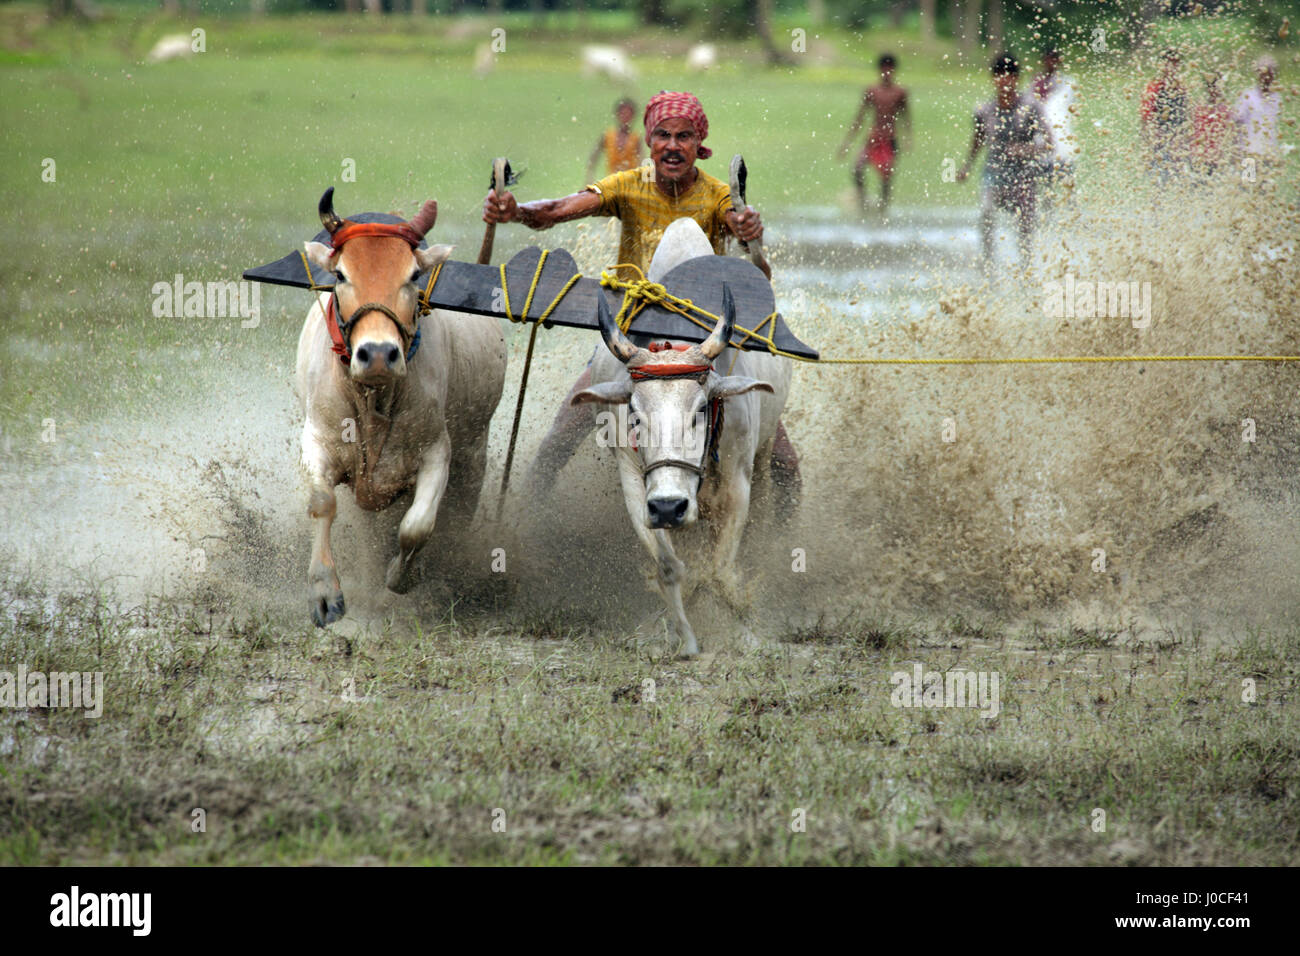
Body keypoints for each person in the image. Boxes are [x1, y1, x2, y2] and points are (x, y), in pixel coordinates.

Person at [482, 91, 798, 497]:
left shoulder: (718, 196)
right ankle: (531, 523)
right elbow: (557, 209)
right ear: (649, 143)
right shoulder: (629, 185)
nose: (672, 145)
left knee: (786, 466)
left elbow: (758, 273)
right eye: (663, 135)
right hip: (633, 338)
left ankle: (771, 548)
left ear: (698, 147)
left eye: (684, 137)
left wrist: (749, 232)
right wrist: (517, 211)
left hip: (704, 344)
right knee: (561, 435)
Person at [956, 52, 1053, 267]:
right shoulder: (984, 110)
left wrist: (1024, 149)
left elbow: (1048, 143)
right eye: (999, 75)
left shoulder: (1031, 107)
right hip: (994, 172)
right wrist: (967, 166)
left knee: (1025, 226)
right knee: (986, 211)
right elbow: (978, 140)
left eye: (1009, 75)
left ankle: (1026, 265)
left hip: (1024, 176)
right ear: (993, 78)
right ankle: (989, 262)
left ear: (1017, 79)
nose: (1004, 80)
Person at [837, 53, 910, 216]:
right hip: (873, 138)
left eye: (890, 68)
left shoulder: (900, 92)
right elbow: (860, 118)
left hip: (890, 139)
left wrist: (907, 138)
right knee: (857, 168)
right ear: (879, 70)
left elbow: (906, 117)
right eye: (884, 68)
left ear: (894, 70)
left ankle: (883, 208)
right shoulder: (872, 91)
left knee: (886, 175)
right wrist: (847, 143)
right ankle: (863, 200)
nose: (887, 72)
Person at [1030, 47, 1079, 199]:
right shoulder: (1035, 85)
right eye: (1048, 59)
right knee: (1046, 190)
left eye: (1054, 59)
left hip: (1063, 143)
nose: (1051, 63)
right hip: (1042, 145)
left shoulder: (1068, 84)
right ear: (1043, 61)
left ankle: (1073, 217)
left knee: (1068, 187)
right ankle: (1047, 217)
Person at [1140, 48, 1191, 185]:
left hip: (1178, 142)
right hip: (1159, 141)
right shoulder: (1154, 87)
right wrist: (1150, 142)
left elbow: (1185, 116)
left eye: (1175, 64)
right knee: (1159, 179)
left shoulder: (1181, 88)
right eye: (1169, 63)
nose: (1172, 68)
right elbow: (1146, 117)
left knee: (1180, 179)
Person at [1233, 55, 1282, 173]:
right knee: (1247, 186)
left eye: (1270, 73)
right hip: (1249, 152)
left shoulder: (1277, 98)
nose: (1267, 77)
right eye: (1264, 73)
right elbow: (1237, 123)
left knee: (1266, 188)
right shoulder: (1248, 96)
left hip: (1268, 153)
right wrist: (1236, 150)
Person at [585, 97, 642, 182]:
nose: (625, 118)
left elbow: (642, 161)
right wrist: (589, 178)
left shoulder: (635, 138)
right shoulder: (608, 135)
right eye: (623, 114)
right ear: (617, 114)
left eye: (628, 115)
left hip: (630, 184)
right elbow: (593, 157)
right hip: (611, 182)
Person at [1191, 71, 1233, 181]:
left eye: (1216, 87)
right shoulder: (1199, 108)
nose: (1214, 90)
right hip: (1199, 158)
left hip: (1218, 160)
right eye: (1211, 86)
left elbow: (1230, 134)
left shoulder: (1225, 110)